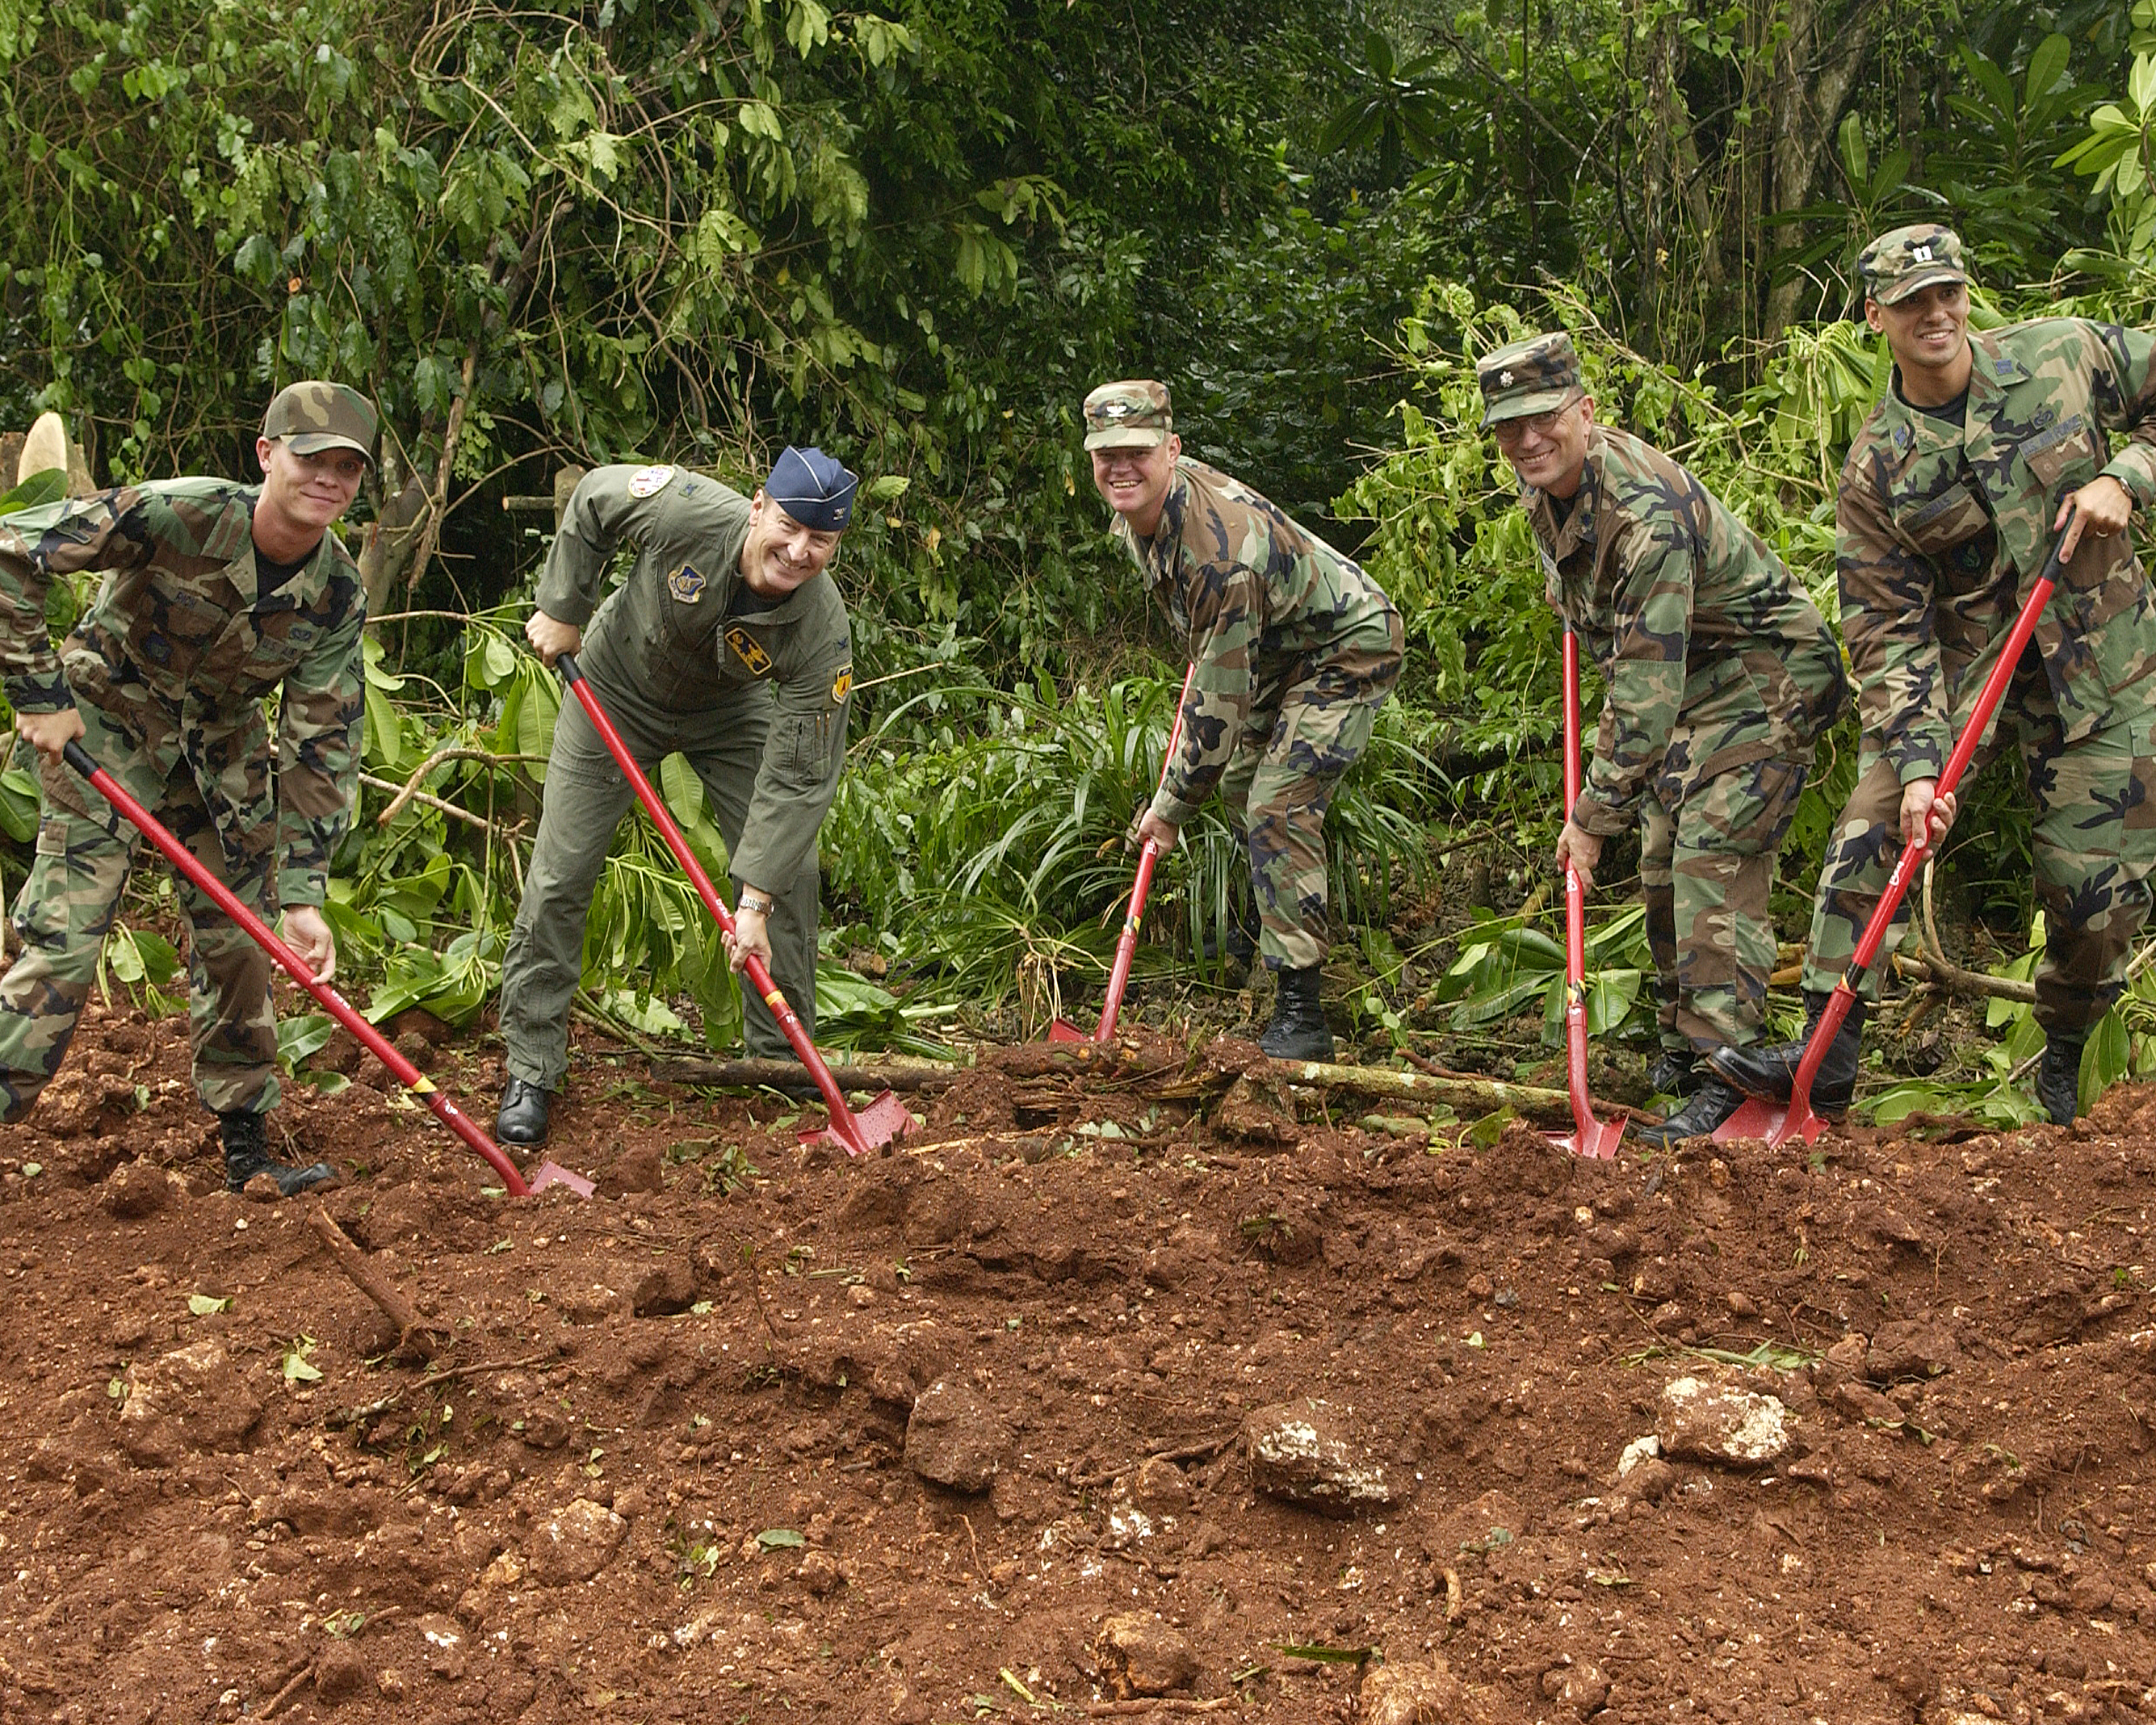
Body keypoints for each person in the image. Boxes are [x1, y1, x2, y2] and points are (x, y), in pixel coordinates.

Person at [1714, 224, 2156, 1127]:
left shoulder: (2063, 353)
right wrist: (1919, 765)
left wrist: (2128, 472)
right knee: (1874, 825)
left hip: (2107, 663)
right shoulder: (1877, 468)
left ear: (1966, 294)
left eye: (1947, 293)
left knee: (2095, 896)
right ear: (1875, 315)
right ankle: (1825, 1056)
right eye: (1912, 302)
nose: (1936, 314)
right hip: (1968, 672)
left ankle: (2065, 1054)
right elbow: (1885, 627)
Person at [0, 381, 376, 1195]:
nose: (330, 481)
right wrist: (40, 695)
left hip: (220, 751)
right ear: (268, 455)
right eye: (314, 460)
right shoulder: (180, 513)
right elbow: (11, 552)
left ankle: (248, 1149)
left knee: (242, 943)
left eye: (348, 468)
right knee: (67, 939)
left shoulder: (339, 591)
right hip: (106, 718)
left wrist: (306, 891)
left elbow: (323, 740)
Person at [1476, 332, 1847, 1146]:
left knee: (1710, 857)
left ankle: (1731, 1073)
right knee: (1658, 862)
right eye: (1510, 427)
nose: (1529, 439)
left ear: (1585, 410)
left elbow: (1646, 695)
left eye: (1544, 418)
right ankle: (1687, 1051)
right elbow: (1611, 644)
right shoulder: (1552, 497)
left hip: (1763, 679)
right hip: (1688, 688)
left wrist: (1589, 814)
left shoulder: (1642, 514)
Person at [495, 449, 858, 1144]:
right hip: (615, 684)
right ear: (758, 507)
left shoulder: (822, 632)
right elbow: (596, 499)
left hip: (729, 712)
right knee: (562, 874)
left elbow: (800, 775)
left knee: (792, 874)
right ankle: (532, 1065)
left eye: (822, 541)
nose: (799, 550)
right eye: (788, 526)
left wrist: (753, 901)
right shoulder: (685, 510)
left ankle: (778, 1065)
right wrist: (562, 607)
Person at [1084, 379, 1403, 1060]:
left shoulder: (1217, 554)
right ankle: (1274, 915)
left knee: (1277, 806)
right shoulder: (1145, 509)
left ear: (1172, 449)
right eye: (1105, 452)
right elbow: (1216, 659)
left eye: (1137, 451)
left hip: (1345, 646)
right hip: (1276, 647)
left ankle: (1302, 1013)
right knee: (1240, 788)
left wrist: (1167, 809)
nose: (1120, 466)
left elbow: (1219, 709)